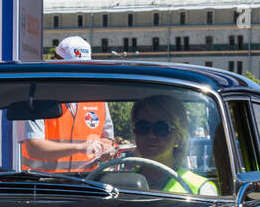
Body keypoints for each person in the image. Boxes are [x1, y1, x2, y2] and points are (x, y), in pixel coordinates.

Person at [21, 36, 115, 169]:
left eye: (83, 67)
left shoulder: (98, 98)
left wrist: (105, 148)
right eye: (72, 67)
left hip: (86, 184)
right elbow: (34, 147)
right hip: (43, 184)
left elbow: (107, 138)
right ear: (55, 63)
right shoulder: (38, 97)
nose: (77, 73)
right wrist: (79, 148)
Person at [130, 94, 217, 195]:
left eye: (161, 128)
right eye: (142, 127)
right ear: (135, 133)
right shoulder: (118, 185)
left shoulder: (201, 190)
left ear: (178, 137)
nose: (151, 135)